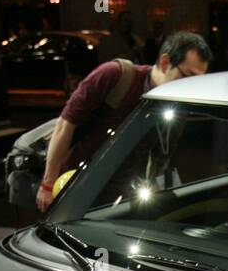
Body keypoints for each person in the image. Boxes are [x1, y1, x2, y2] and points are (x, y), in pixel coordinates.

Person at [35, 31, 211, 211]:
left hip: (118, 200)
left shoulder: (175, 108)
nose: (190, 86)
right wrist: (48, 185)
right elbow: (65, 125)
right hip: (73, 185)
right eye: (187, 76)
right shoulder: (115, 76)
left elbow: (163, 158)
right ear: (165, 63)